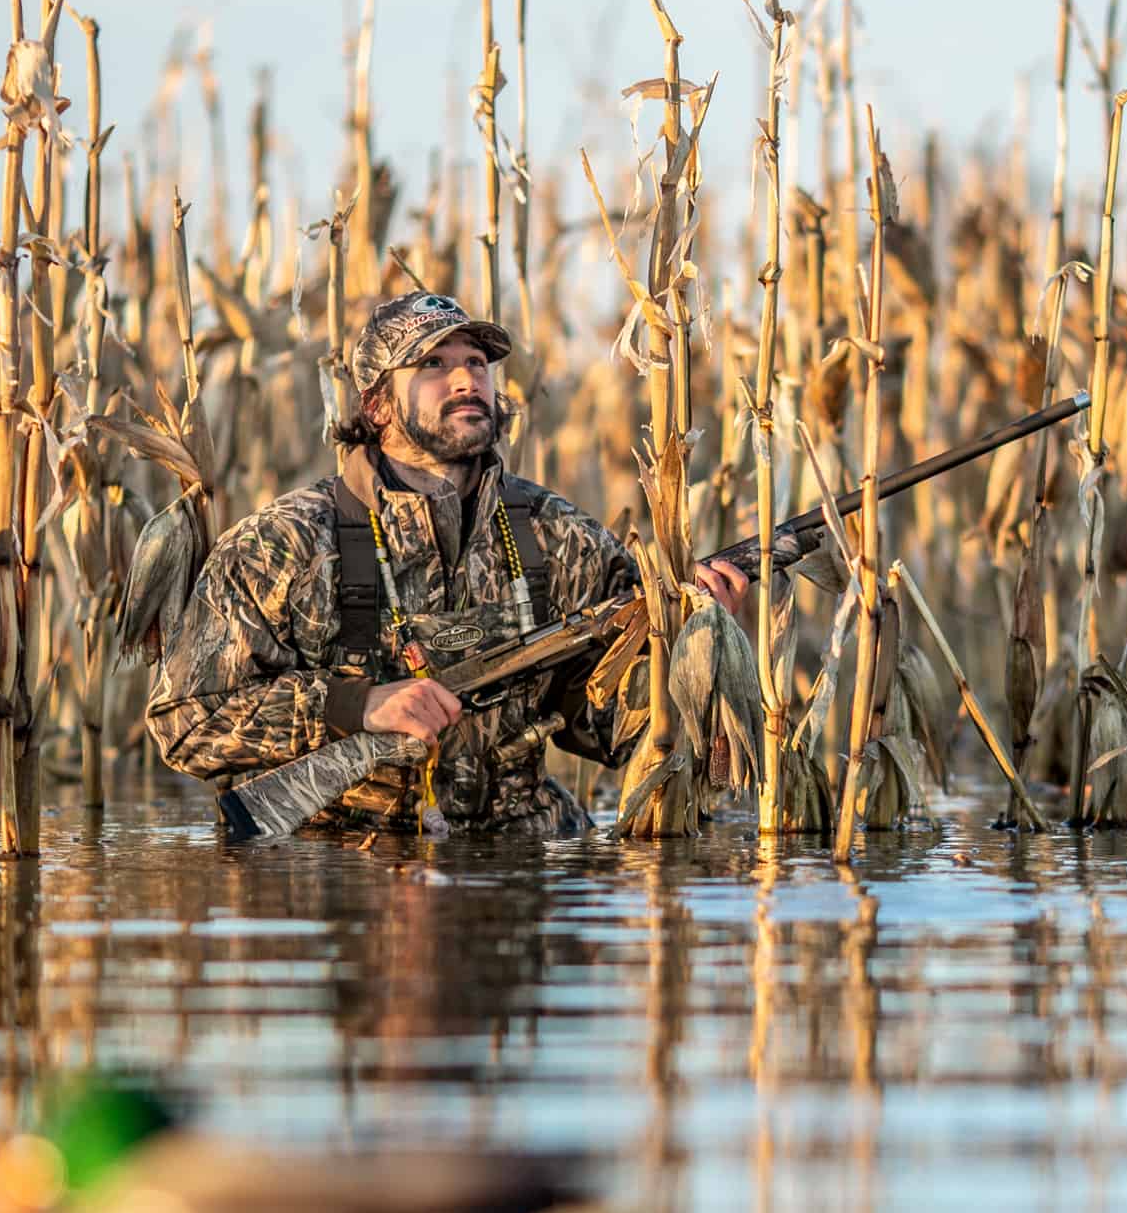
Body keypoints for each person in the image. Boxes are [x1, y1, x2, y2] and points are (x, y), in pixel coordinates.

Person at [147, 292, 749, 834]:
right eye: (433, 364)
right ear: (377, 404)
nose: (466, 378)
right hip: (341, 873)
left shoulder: (559, 535)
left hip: (519, 873)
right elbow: (185, 721)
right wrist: (356, 706)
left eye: (478, 364)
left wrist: (696, 642)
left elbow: (618, 732)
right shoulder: (284, 543)